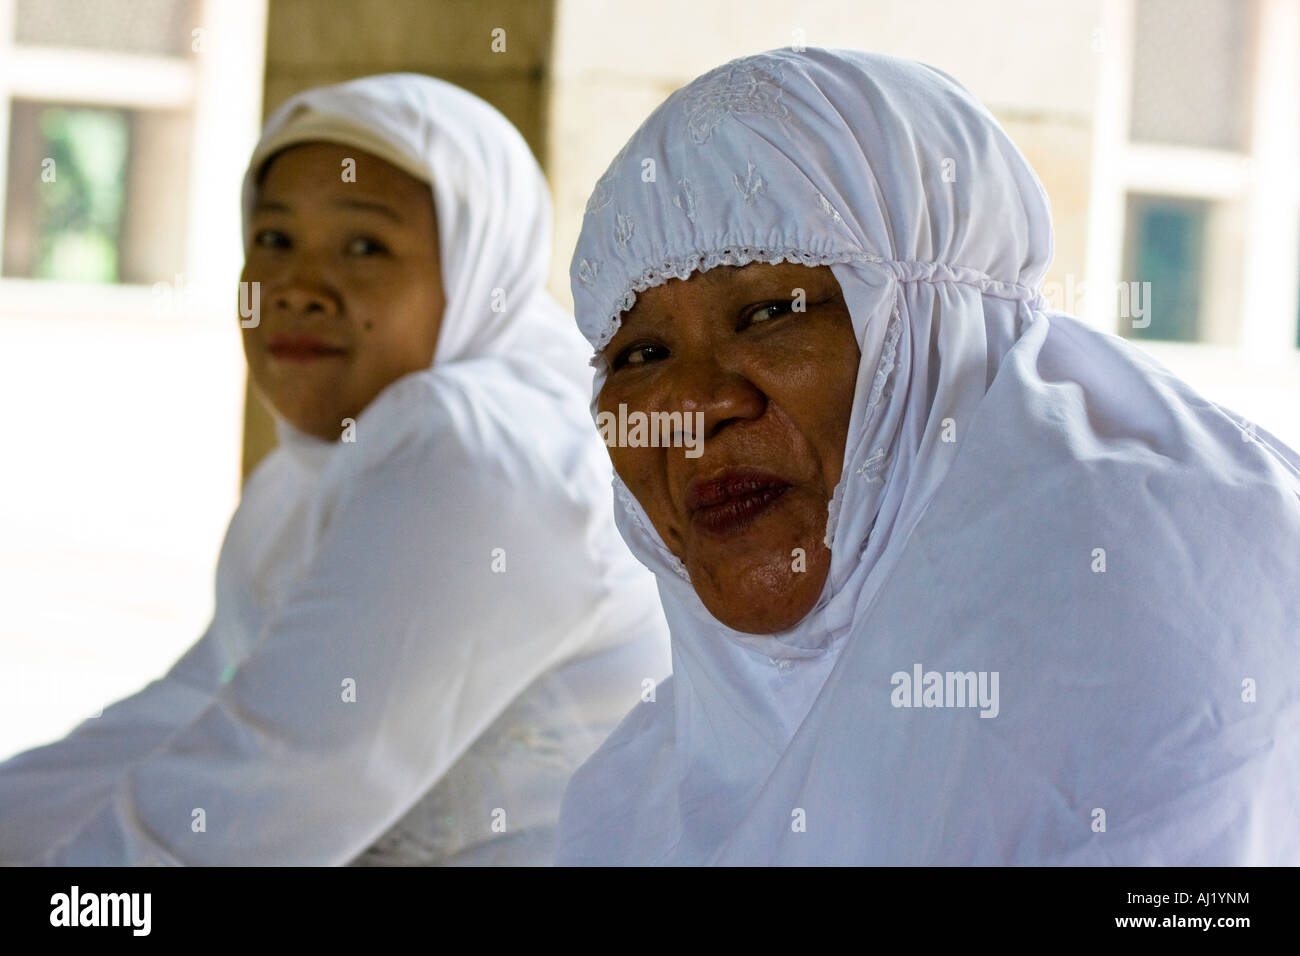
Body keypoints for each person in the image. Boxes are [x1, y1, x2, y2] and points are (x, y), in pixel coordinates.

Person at [556, 48, 1300, 865]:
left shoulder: (1145, 603)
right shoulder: (643, 783)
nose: (693, 410)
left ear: (937, 328)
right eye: (640, 355)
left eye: (771, 310)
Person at [0, 73, 669, 865]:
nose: (298, 289)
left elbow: (259, 800)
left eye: (365, 247)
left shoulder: (476, 452)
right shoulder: (300, 480)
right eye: (274, 239)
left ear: (476, 273)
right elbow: (183, 716)